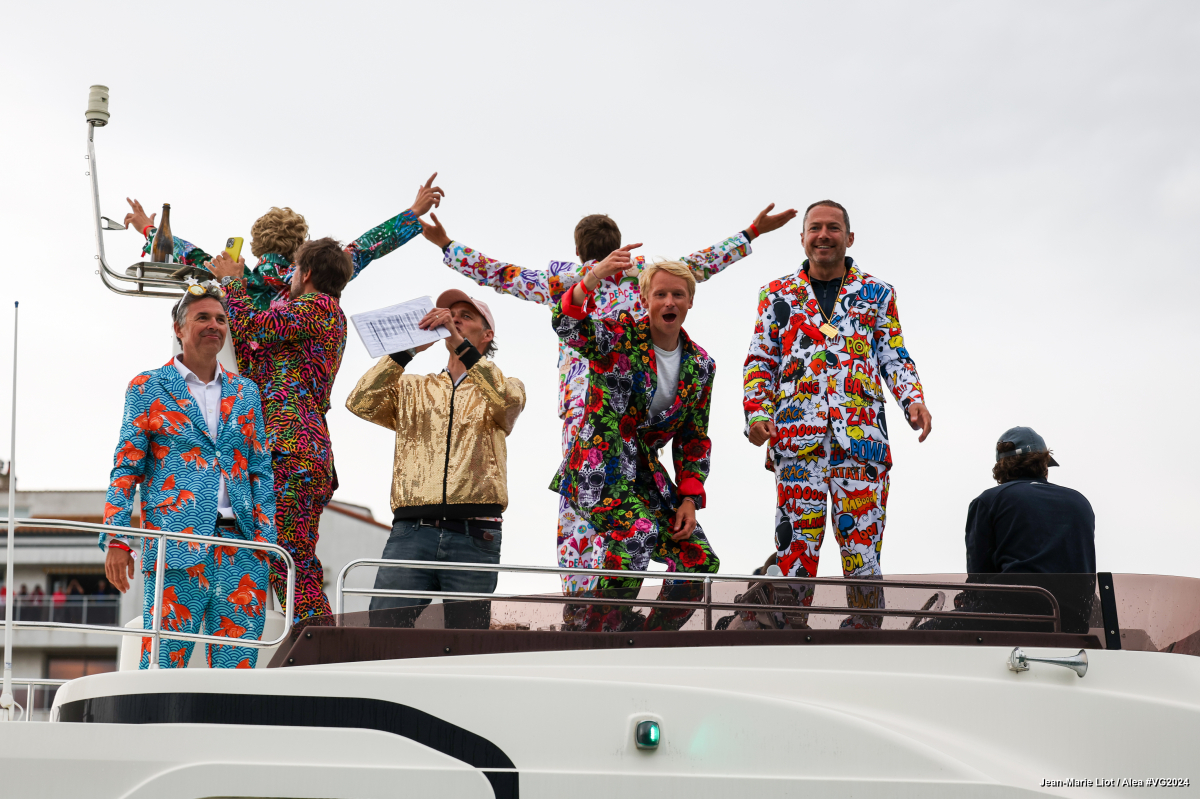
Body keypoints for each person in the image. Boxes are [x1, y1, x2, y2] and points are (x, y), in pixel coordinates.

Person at [421, 204, 796, 601]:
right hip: (637, 412)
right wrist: (750, 232)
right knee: (623, 496)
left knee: (584, 506)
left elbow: (501, 274)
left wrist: (447, 245)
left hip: (586, 408)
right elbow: (701, 263)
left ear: (578, 250)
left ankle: (581, 596)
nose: (668, 298)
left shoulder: (570, 281)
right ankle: (606, 600)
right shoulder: (643, 277)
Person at [743, 200, 931, 629]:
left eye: (832, 227)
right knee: (795, 551)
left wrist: (912, 400)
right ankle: (787, 632)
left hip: (861, 443)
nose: (823, 235)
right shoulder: (776, 295)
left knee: (863, 552)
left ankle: (865, 635)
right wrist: (756, 414)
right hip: (797, 442)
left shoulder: (877, 293)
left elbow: (894, 355)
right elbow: (760, 361)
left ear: (849, 237)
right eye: (815, 228)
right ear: (802, 238)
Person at [100, 281, 277, 669]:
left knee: (237, 674)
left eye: (221, 319)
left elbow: (260, 471)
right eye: (203, 318)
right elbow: (127, 466)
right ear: (178, 329)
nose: (214, 325)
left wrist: (266, 542)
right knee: (162, 666)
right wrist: (116, 538)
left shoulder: (246, 391)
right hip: (175, 546)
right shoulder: (147, 387)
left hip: (242, 551)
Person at [551, 256, 719, 632]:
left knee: (699, 561)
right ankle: (598, 632)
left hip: (645, 476)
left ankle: (652, 641)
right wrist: (592, 277)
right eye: (660, 294)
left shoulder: (702, 365)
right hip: (598, 466)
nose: (669, 302)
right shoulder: (619, 337)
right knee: (638, 533)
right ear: (645, 300)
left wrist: (689, 499)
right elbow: (567, 324)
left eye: (678, 294)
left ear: (690, 301)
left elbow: (693, 438)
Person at [345, 290, 525, 627]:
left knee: (467, 641)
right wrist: (406, 350)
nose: (454, 319)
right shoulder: (413, 387)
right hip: (411, 532)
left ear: (487, 335)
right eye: (450, 314)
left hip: (475, 535)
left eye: (466, 316)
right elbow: (360, 402)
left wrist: (460, 345)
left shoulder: (507, 386)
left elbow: (506, 401)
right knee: (382, 632)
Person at [966, 427, 1095, 574]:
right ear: (1043, 464)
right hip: (1074, 591)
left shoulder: (990, 501)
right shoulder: (1079, 502)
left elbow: (978, 576)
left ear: (1001, 465)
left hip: (1015, 590)